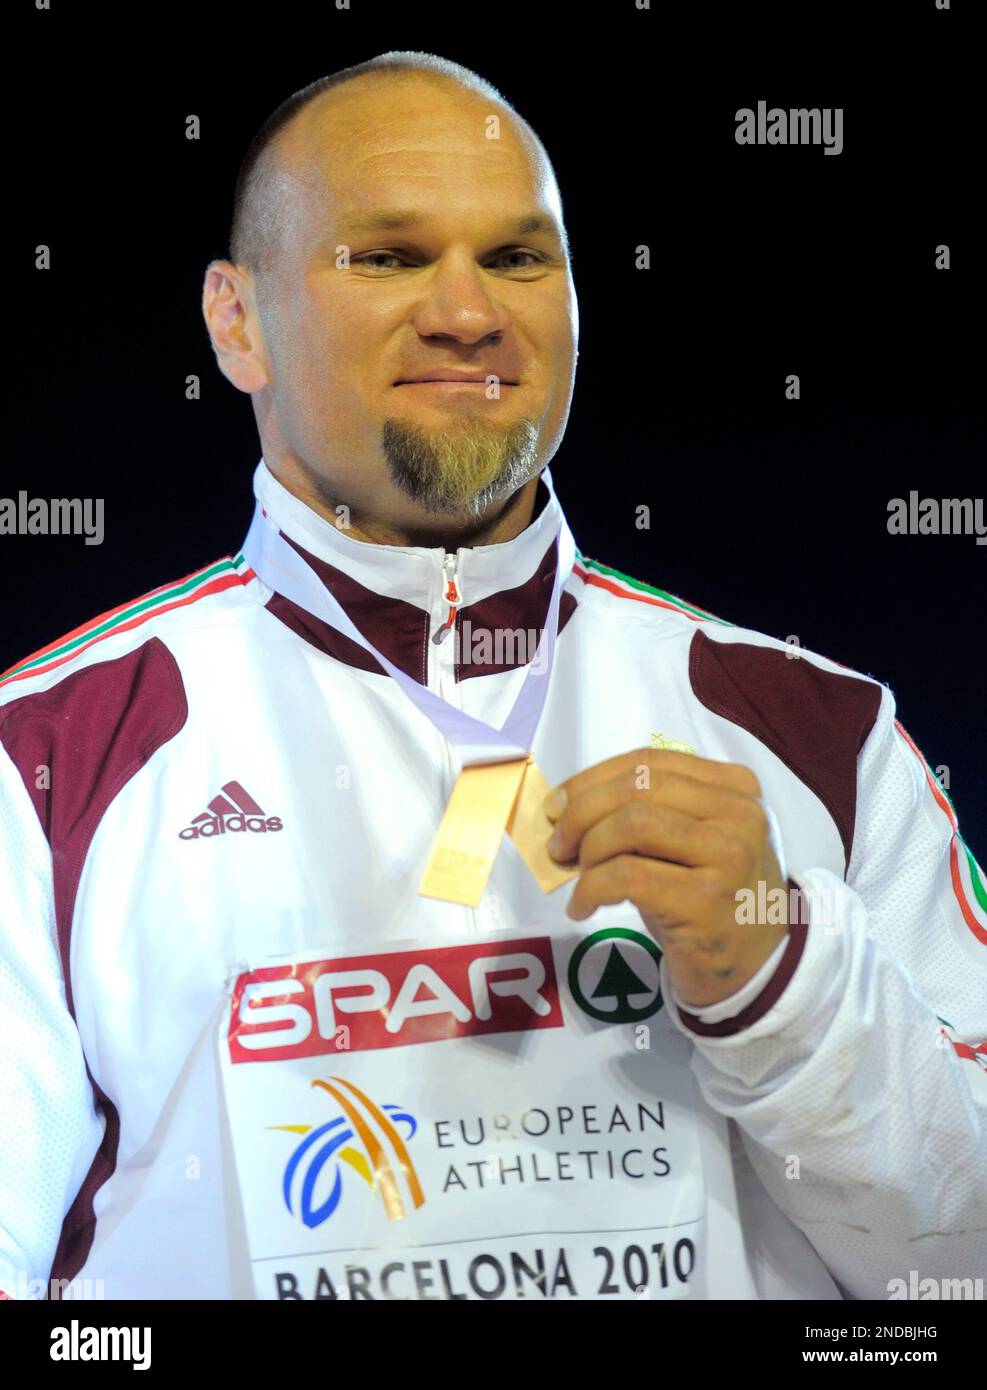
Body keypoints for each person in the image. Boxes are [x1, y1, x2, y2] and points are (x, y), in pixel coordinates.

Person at [1, 51, 984, 1303]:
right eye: (389, 256)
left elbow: (960, 1275)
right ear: (234, 322)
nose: (468, 312)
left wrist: (786, 983)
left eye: (520, 257)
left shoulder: (817, 730)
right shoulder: (43, 756)